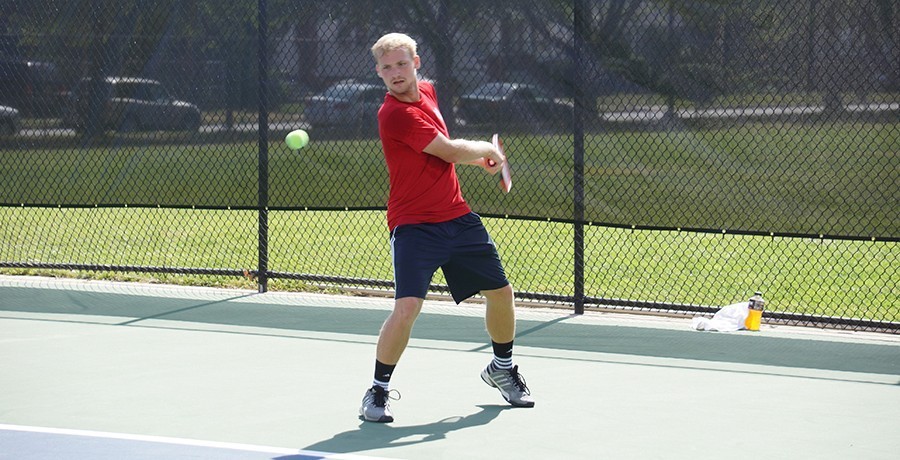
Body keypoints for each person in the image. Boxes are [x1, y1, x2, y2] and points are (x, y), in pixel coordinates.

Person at [359, 32, 534, 423]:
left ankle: (502, 368)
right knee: (407, 308)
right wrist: (486, 150)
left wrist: (475, 161)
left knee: (501, 293)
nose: (395, 72)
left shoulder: (428, 93)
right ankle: (377, 390)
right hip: (413, 226)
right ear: (378, 72)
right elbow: (450, 150)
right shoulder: (393, 114)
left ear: (416, 63)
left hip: (457, 217)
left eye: (401, 64)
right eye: (386, 67)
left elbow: (441, 150)